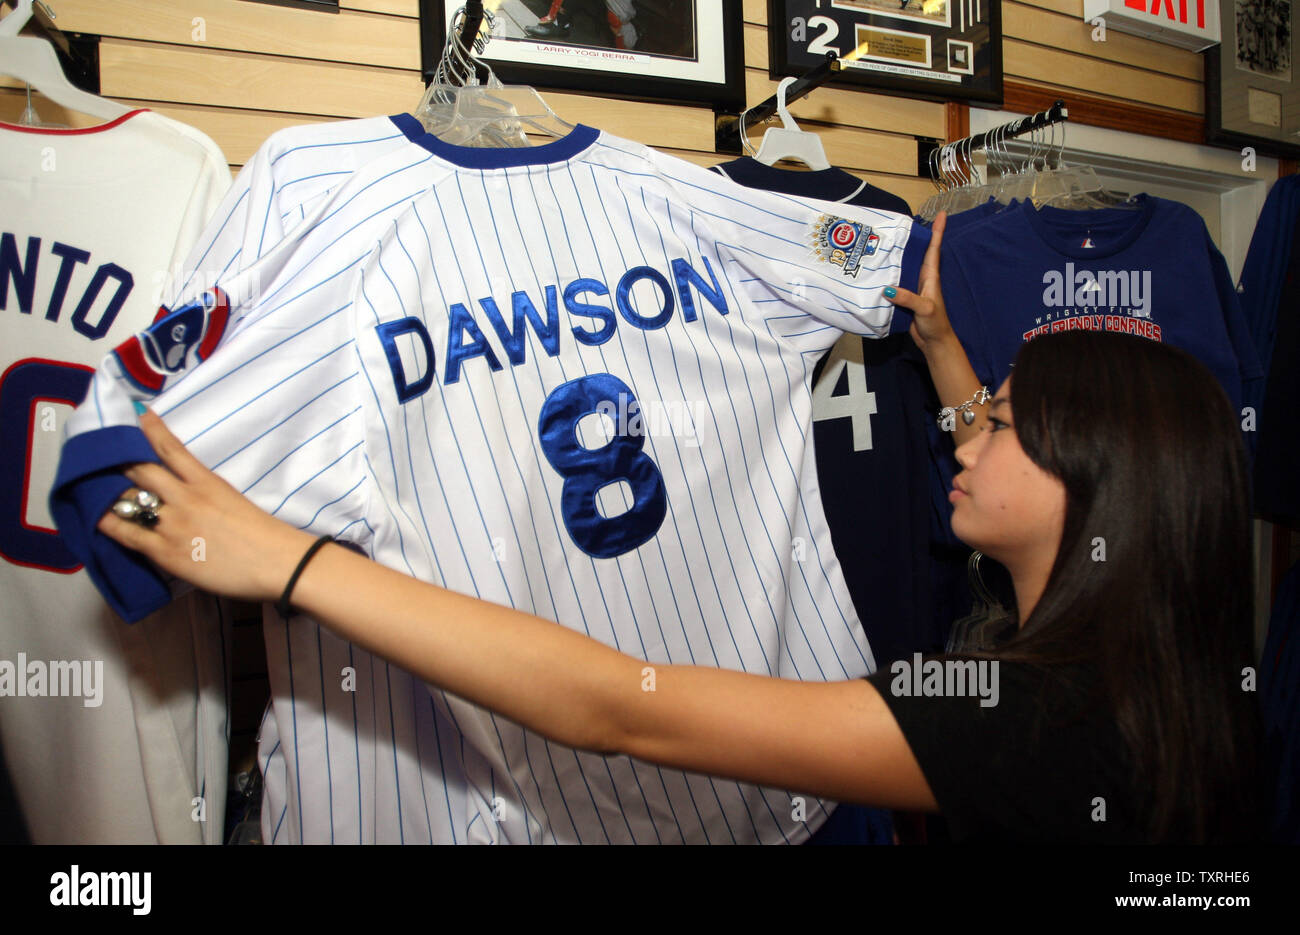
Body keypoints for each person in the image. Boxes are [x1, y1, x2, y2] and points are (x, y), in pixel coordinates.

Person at [96, 213, 1263, 844]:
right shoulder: (1167, 671)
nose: (960, 438)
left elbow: (618, 708)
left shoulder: (1023, 719)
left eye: (998, 425)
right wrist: (951, 358)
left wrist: (293, 563)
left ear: (1090, 481)